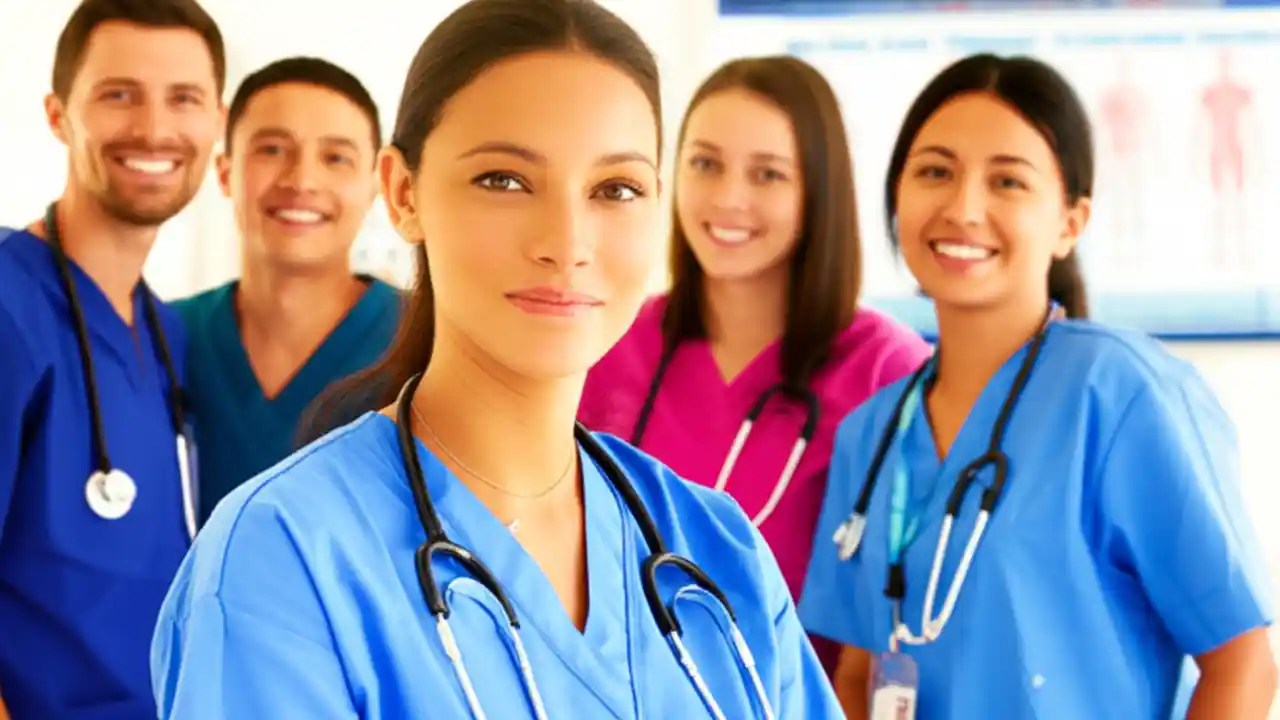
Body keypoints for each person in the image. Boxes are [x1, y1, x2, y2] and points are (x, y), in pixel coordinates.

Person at [149, 1, 842, 718]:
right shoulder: (284, 558)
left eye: (616, 189)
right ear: (402, 192)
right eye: (504, 180)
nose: (567, 241)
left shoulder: (718, 552)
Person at [799, 53, 1277, 720]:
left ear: (1070, 222)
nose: (964, 207)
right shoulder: (872, 435)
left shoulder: (1119, 396)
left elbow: (1241, 660)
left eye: (1008, 182)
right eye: (935, 171)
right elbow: (857, 672)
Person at [578, 55, 930, 672]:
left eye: (767, 175)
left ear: (818, 191)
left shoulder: (888, 373)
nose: (728, 198)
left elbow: (890, 623)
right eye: (705, 164)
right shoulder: (605, 341)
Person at [0, 0, 225, 718]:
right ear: (59, 114)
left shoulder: (164, 332)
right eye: (118, 94)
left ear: (216, 120)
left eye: (183, 98)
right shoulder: (8, 305)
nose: (155, 128)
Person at [174, 57, 401, 523]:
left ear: (376, 184)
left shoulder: (426, 341)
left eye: (336, 158)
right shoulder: (166, 335)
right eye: (272, 150)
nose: (301, 180)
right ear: (224, 171)